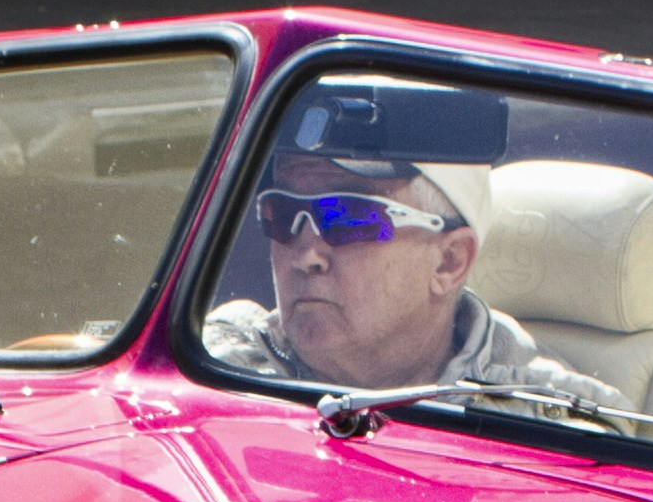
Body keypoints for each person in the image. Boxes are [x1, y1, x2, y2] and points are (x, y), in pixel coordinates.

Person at [199, 147, 590, 398]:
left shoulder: (551, 423)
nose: (305, 254)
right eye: (281, 215)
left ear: (449, 261)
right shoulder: (204, 362)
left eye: (349, 218)